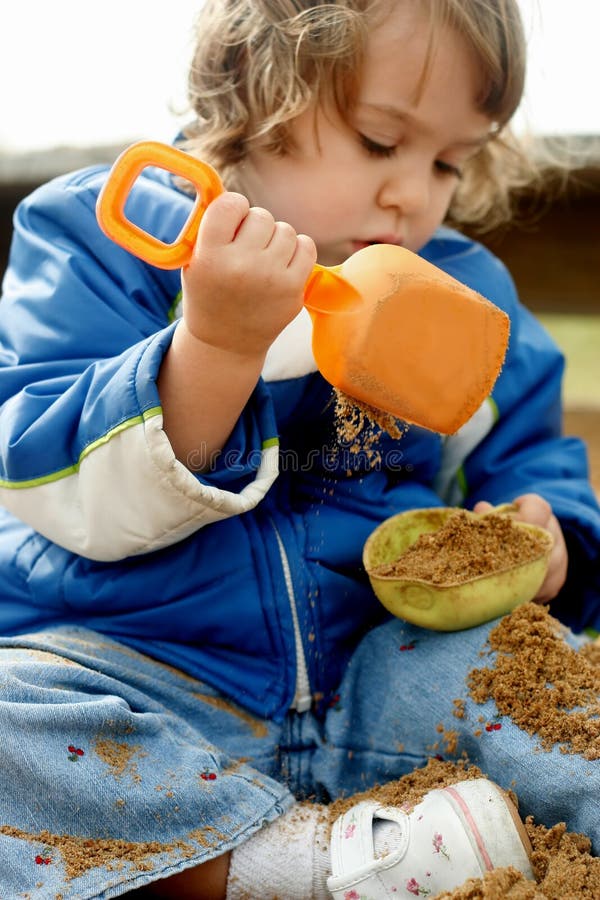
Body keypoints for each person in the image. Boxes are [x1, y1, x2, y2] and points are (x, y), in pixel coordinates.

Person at [0, 0, 598, 897]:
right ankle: (307, 866)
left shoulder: (462, 291)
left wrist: (551, 538)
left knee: (554, 690)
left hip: (381, 683)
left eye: (448, 162)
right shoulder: (109, 239)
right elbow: (59, 486)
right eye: (377, 140)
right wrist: (218, 347)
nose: (413, 195)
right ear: (257, 90)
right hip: (145, 691)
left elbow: (524, 456)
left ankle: (411, 841)